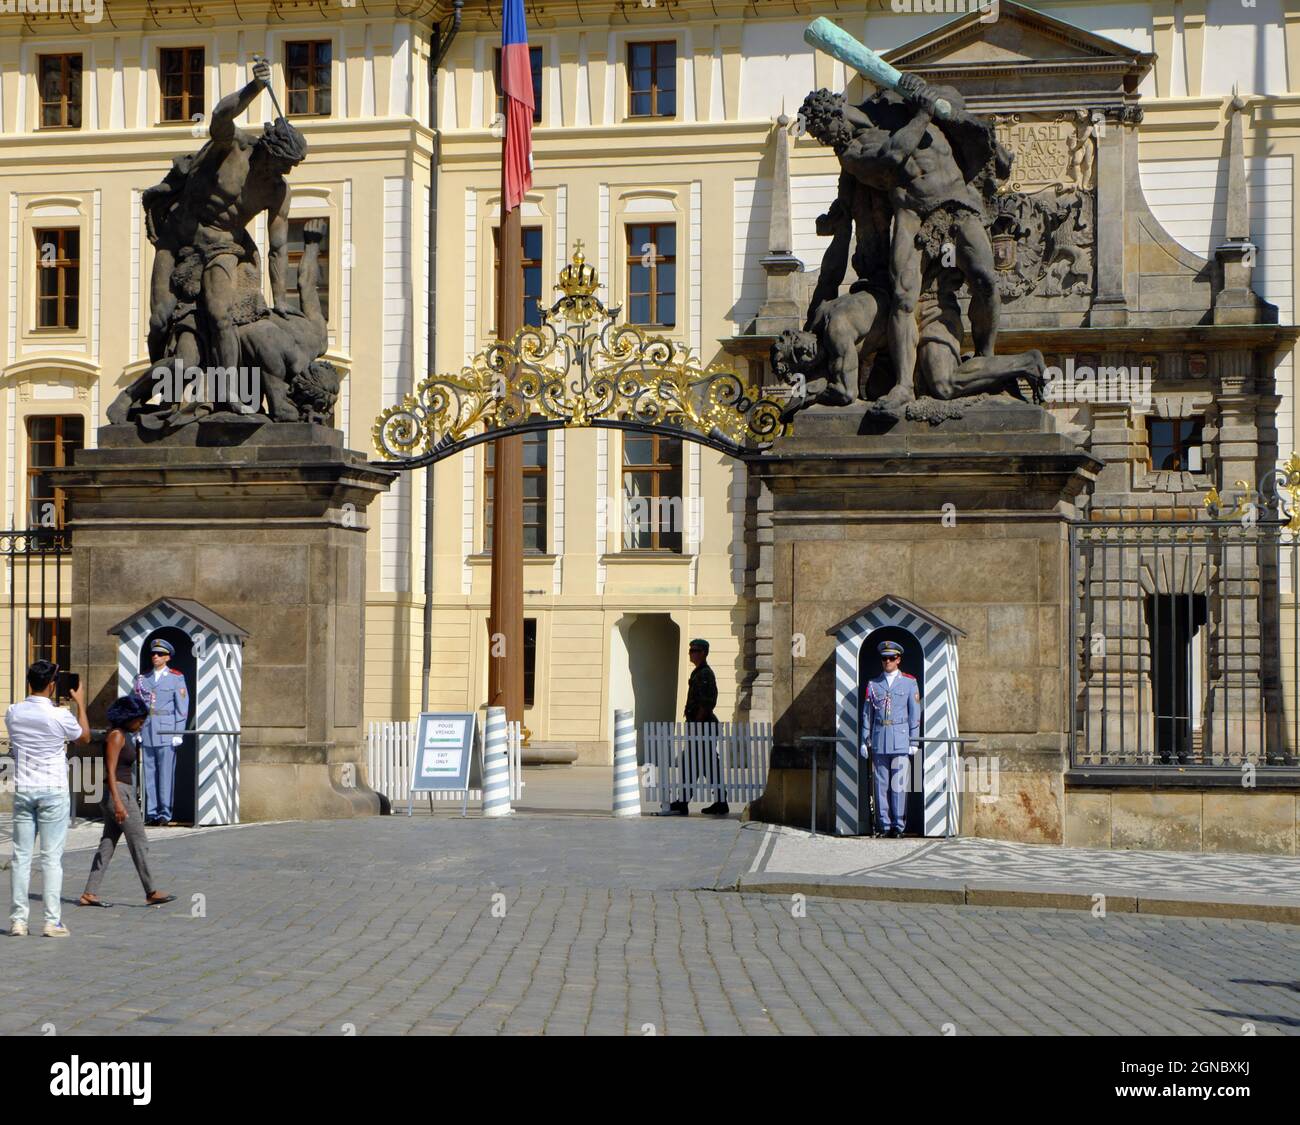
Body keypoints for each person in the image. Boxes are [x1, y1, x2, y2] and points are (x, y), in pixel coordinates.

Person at [6, 660, 89, 937]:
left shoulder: (13, 712)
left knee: (21, 857)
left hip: (24, 787)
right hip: (52, 788)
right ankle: (52, 921)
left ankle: (19, 920)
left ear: (30, 682)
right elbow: (84, 738)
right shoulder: (60, 715)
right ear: (52, 685)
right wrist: (81, 704)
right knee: (51, 858)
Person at [79, 696, 175, 910]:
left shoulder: (124, 735)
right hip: (119, 793)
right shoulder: (116, 736)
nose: (141, 724)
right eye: (139, 720)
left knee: (107, 844)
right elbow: (110, 772)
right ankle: (151, 891)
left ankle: (89, 892)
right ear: (127, 717)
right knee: (139, 841)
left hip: (121, 792)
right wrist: (119, 803)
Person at [861, 640, 921, 838]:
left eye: (892, 658)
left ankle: (898, 825)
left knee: (899, 785)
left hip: (901, 740)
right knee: (881, 785)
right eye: (885, 658)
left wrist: (914, 741)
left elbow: (915, 713)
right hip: (879, 739)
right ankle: (884, 825)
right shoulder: (873, 684)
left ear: (898, 659)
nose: (888, 661)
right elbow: (867, 713)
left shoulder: (909, 682)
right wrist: (864, 738)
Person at [665, 638, 728, 817]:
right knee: (698, 764)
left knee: (698, 764)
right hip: (699, 727)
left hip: (703, 728)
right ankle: (690, 801)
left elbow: (707, 702)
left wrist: (698, 725)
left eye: (695, 650)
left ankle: (690, 801)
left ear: (703, 653)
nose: (691, 653)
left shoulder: (705, 674)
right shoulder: (698, 673)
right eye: (690, 650)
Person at [134, 639, 188, 826]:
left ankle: (165, 813)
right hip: (148, 728)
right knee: (149, 772)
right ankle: (151, 812)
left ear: (167, 657)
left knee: (165, 773)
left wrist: (177, 732)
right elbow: (138, 706)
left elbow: (182, 707)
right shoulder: (143, 678)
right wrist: (137, 729)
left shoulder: (176, 677)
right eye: (153, 654)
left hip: (166, 729)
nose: (155, 657)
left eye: (159, 654)